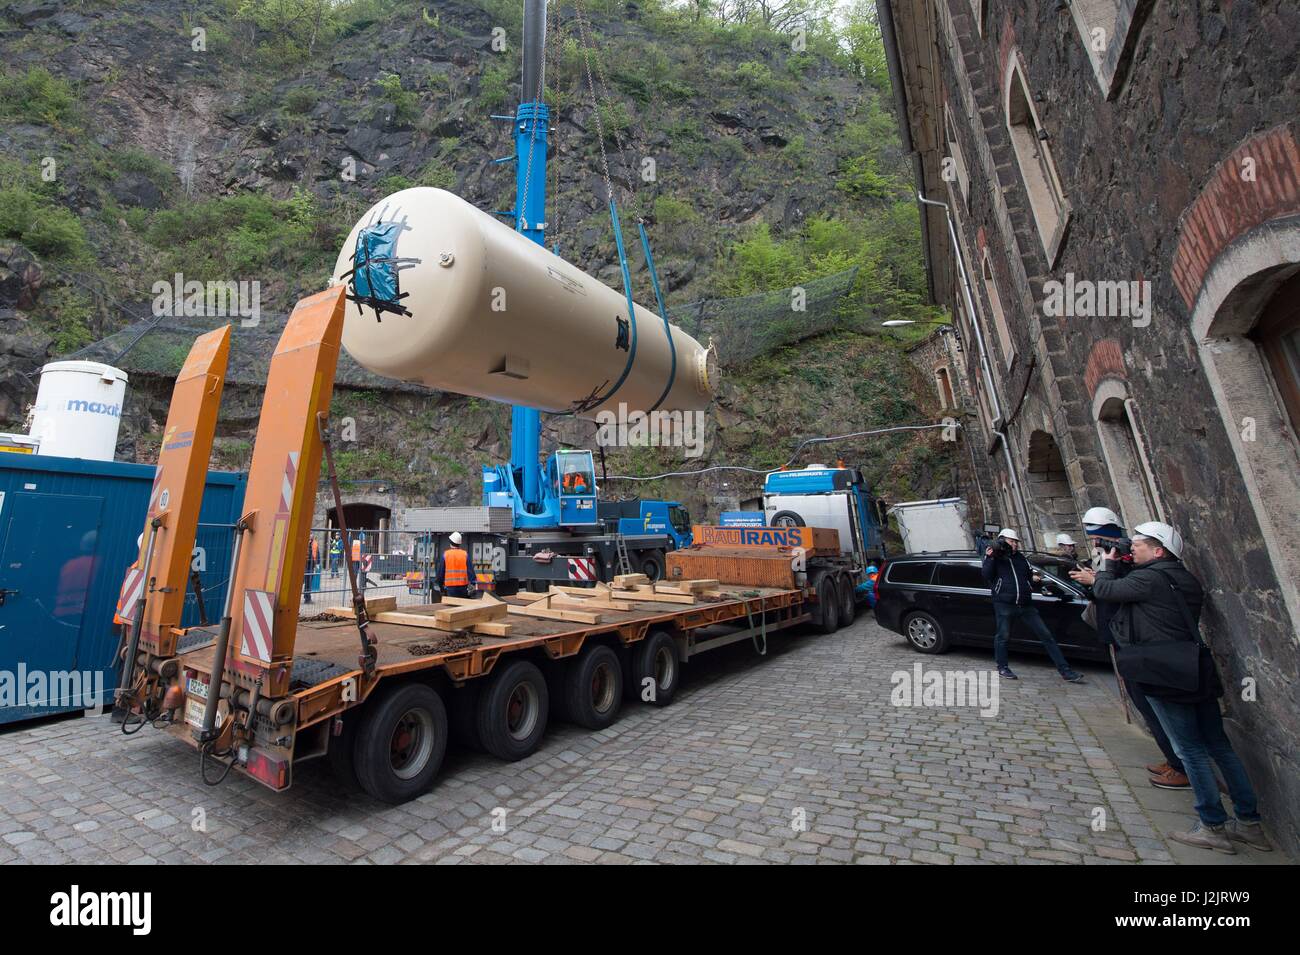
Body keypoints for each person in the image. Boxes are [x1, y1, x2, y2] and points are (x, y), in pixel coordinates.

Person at [1073, 522, 1272, 854]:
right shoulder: (1184, 578)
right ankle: (1249, 823)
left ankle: (1212, 825)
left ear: (1158, 551)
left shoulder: (1149, 579)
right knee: (1220, 747)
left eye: (1138, 545)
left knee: (1189, 750)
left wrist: (1106, 568)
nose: (1131, 549)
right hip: (1193, 665)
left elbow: (1105, 592)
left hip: (1163, 669)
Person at [1070, 506, 1188, 791]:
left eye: (1097, 535)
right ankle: (1174, 760)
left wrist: (1099, 578)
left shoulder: (1132, 563)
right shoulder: (1115, 557)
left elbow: (1116, 590)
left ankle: (1180, 765)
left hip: (1138, 642)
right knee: (1146, 705)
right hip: (1122, 636)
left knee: (1154, 706)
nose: (1096, 542)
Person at [981, 528, 1085, 683]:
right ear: (1003, 541)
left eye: (1016, 542)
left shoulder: (1021, 558)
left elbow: (1029, 576)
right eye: (1012, 541)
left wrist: (1032, 583)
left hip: (1025, 604)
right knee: (1003, 637)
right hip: (1005, 604)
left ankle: (1065, 671)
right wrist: (990, 558)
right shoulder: (996, 558)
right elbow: (986, 575)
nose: (1015, 544)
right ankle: (1002, 667)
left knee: (1046, 636)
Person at [437, 531, 477, 598]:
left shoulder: (446, 555)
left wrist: (441, 586)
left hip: (450, 588)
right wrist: (472, 584)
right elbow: (471, 572)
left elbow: (440, 573)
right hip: (463, 588)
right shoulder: (465, 554)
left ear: (450, 542)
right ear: (459, 543)